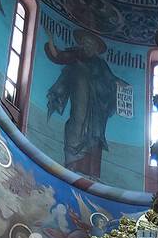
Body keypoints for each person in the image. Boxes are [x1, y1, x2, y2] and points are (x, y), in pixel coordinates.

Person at [45, 31, 121, 178]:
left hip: (97, 107)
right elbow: (59, 56)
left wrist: (117, 84)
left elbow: (110, 80)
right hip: (80, 99)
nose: (88, 46)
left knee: (95, 135)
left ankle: (92, 173)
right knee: (76, 125)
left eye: (91, 44)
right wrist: (50, 41)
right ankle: (71, 164)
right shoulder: (75, 56)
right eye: (86, 42)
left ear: (96, 48)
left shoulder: (100, 64)